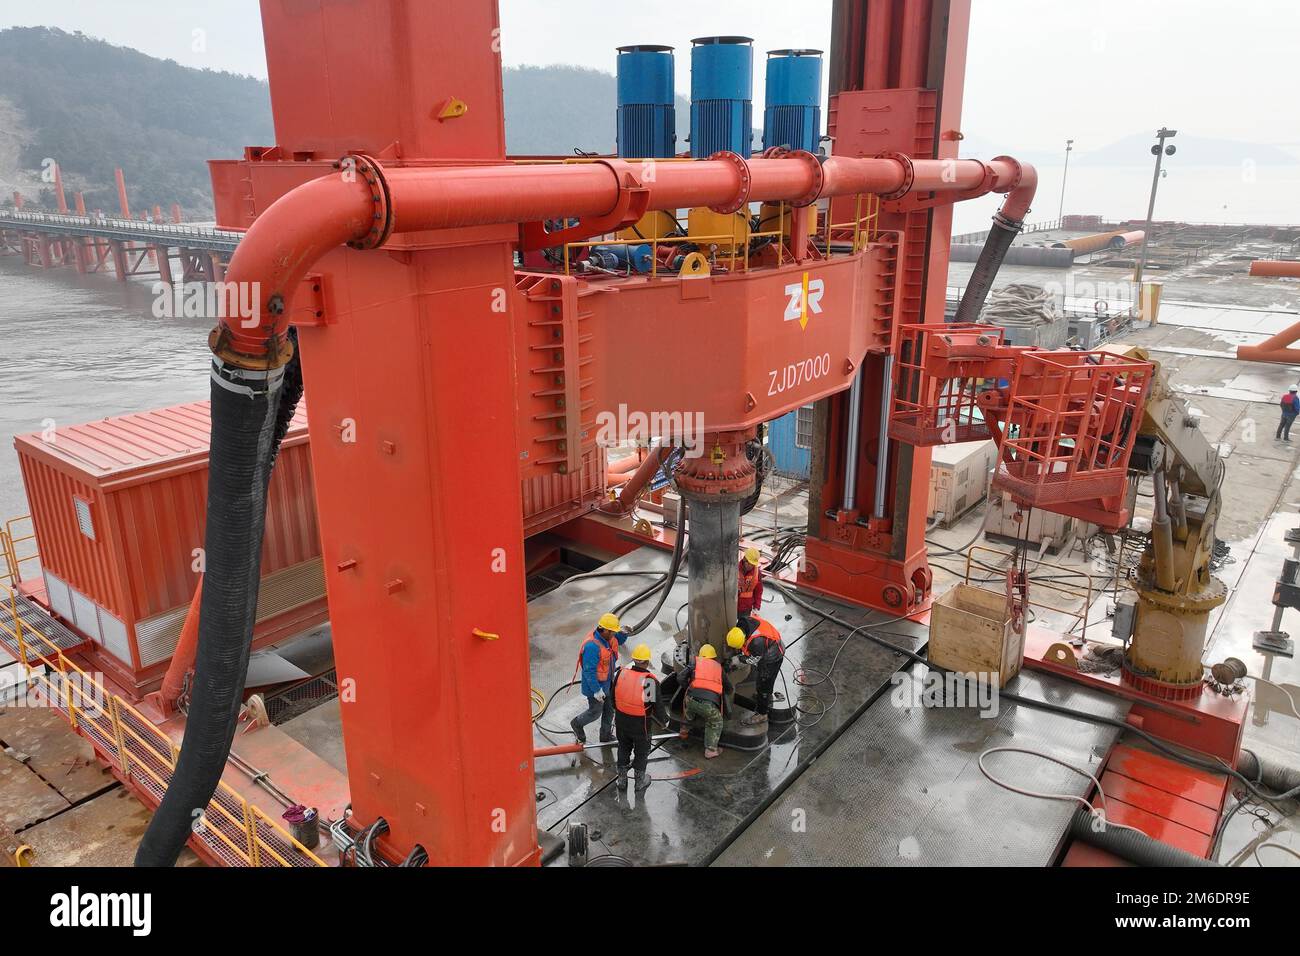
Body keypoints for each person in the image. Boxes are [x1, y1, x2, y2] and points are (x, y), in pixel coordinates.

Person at [612, 643, 660, 793]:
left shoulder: (621, 674)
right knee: (641, 752)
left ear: (634, 660)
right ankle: (639, 782)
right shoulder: (649, 681)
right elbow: (655, 704)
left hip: (621, 721)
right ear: (646, 662)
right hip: (640, 725)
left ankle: (621, 780)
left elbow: (613, 697)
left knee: (623, 747)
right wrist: (664, 721)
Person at [571, 612, 623, 744]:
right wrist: (596, 690)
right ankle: (577, 723)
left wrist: (624, 633)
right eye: (612, 632)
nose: (613, 635)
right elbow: (589, 671)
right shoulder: (592, 647)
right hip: (596, 687)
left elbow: (619, 640)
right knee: (595, 712)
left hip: (608, 683)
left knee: (609, 710)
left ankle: (605, 736)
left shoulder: (607, 637)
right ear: (604, 629)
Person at [678, 644, 731, 758]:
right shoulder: (718, 668)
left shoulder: (694, 663)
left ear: (701, 655)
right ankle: (711, 750)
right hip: (708, 705)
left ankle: (684, 730)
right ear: (714, 657)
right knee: (716, 721)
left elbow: (680, 677)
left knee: (689, 709)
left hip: (691, 699)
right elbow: (729, 688)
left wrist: (689, 687)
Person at [735, 615, 784, 726]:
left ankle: (762, 714)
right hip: (771, 646)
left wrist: (739, 659)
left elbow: (753, 659)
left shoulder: (756, 642)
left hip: (773, 656)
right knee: (764, 680)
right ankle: (764, 696)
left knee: (764, 682)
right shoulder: (743, 625)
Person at [737, 547, 763, 617]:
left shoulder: (757, 573)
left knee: (744, 627)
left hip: (746, 609)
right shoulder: (734, 569)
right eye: (749, 563)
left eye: (753, 564)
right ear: (744, 559)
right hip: (733, 607)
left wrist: (756, 607)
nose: (751, 566)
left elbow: (758, 591)